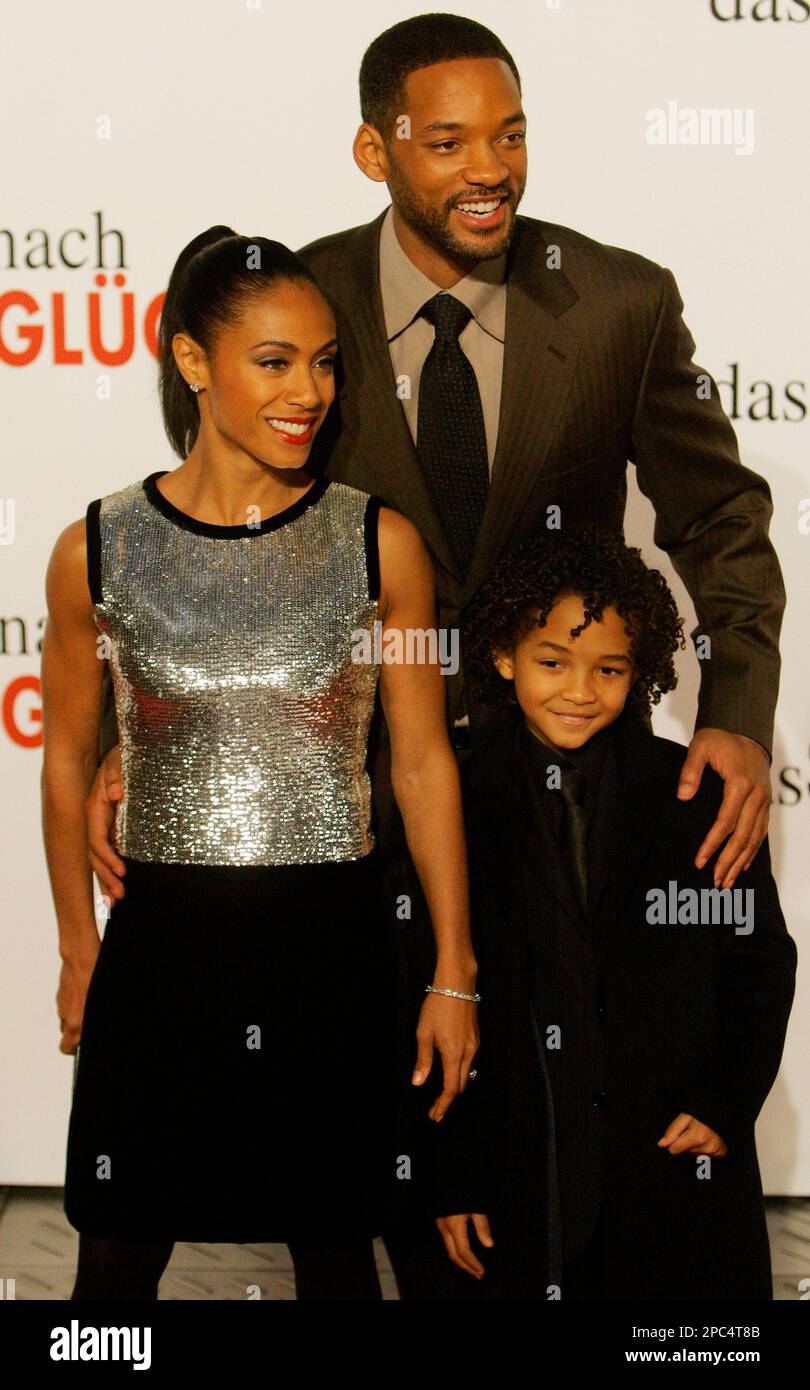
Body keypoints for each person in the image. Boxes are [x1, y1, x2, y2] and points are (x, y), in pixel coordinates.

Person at [86, 12, 785, 1294]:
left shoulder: (622, 300)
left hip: (555, 796)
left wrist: (739, 704)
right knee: (383, 1177)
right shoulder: (302, 304)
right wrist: (152, 730)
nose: (492, 169)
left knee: (581, 1150)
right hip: (353, 807)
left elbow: (725, 519)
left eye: (511, 133)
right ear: (376, 149)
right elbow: (219, 505)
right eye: (452, 139)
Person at [40, 228, 478, 1301]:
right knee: (115, 1260)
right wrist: (77, 949)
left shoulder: (381, 544)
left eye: (326, 361)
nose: (310, 391)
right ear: (193, 362)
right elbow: (63, 763)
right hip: (161, 950)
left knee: (337, 1253)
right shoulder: (93, 547)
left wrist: (454, 969)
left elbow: (421, 764)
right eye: (274, 361)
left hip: (334, 948)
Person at [431, 526, 796, 1300]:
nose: (579, 690)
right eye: (553, 662)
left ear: (644, 671)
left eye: (609, 668)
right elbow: (418, 1001)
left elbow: (760, 962)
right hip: (516, 1182)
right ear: (503, 656)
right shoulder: (450, 800)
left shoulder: (695, 797)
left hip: (671, 1180)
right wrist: (447, 1173)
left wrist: (725, 1103)